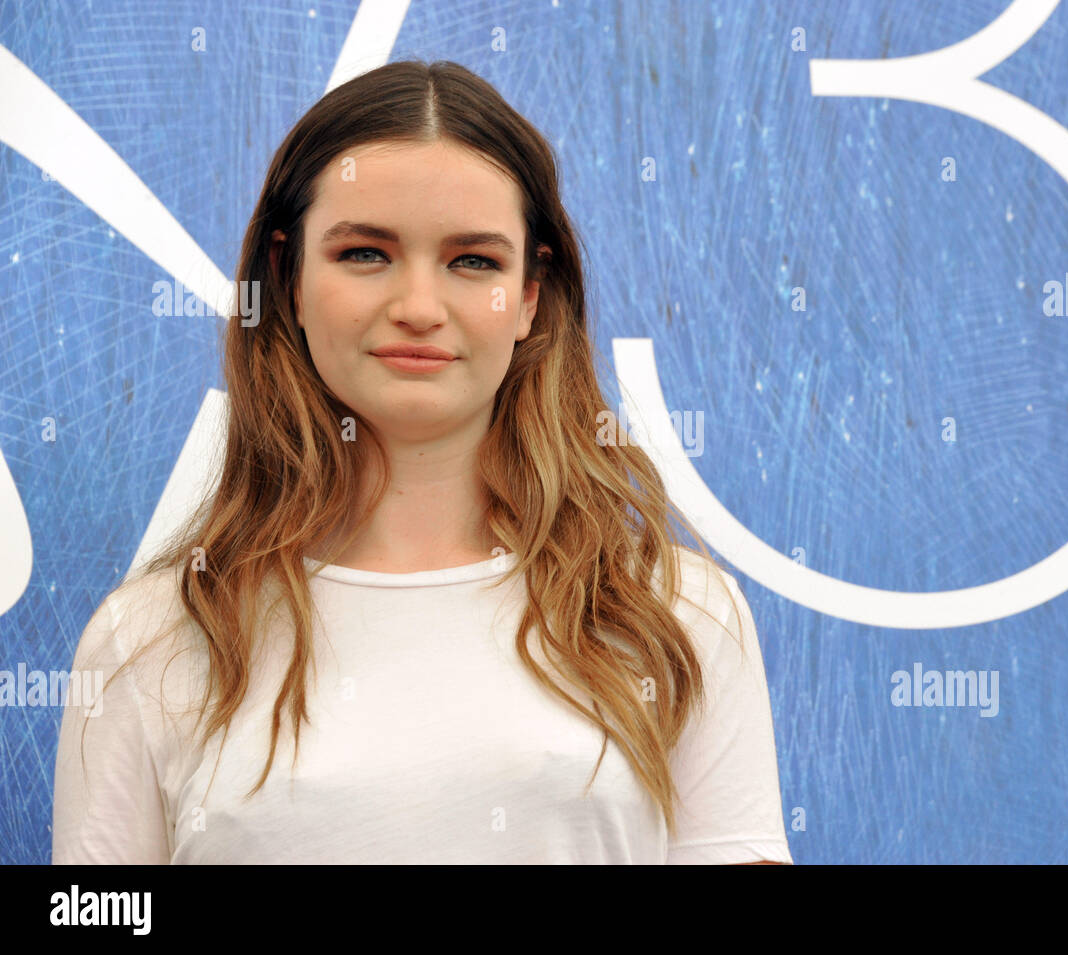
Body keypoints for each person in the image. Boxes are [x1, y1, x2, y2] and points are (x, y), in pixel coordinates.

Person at [52, 60, 791, 865]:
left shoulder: (669, 613)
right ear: (287, 278)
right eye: (366, 253)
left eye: (473, 261)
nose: (418, 307)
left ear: (532, 294)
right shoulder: (153, 638)